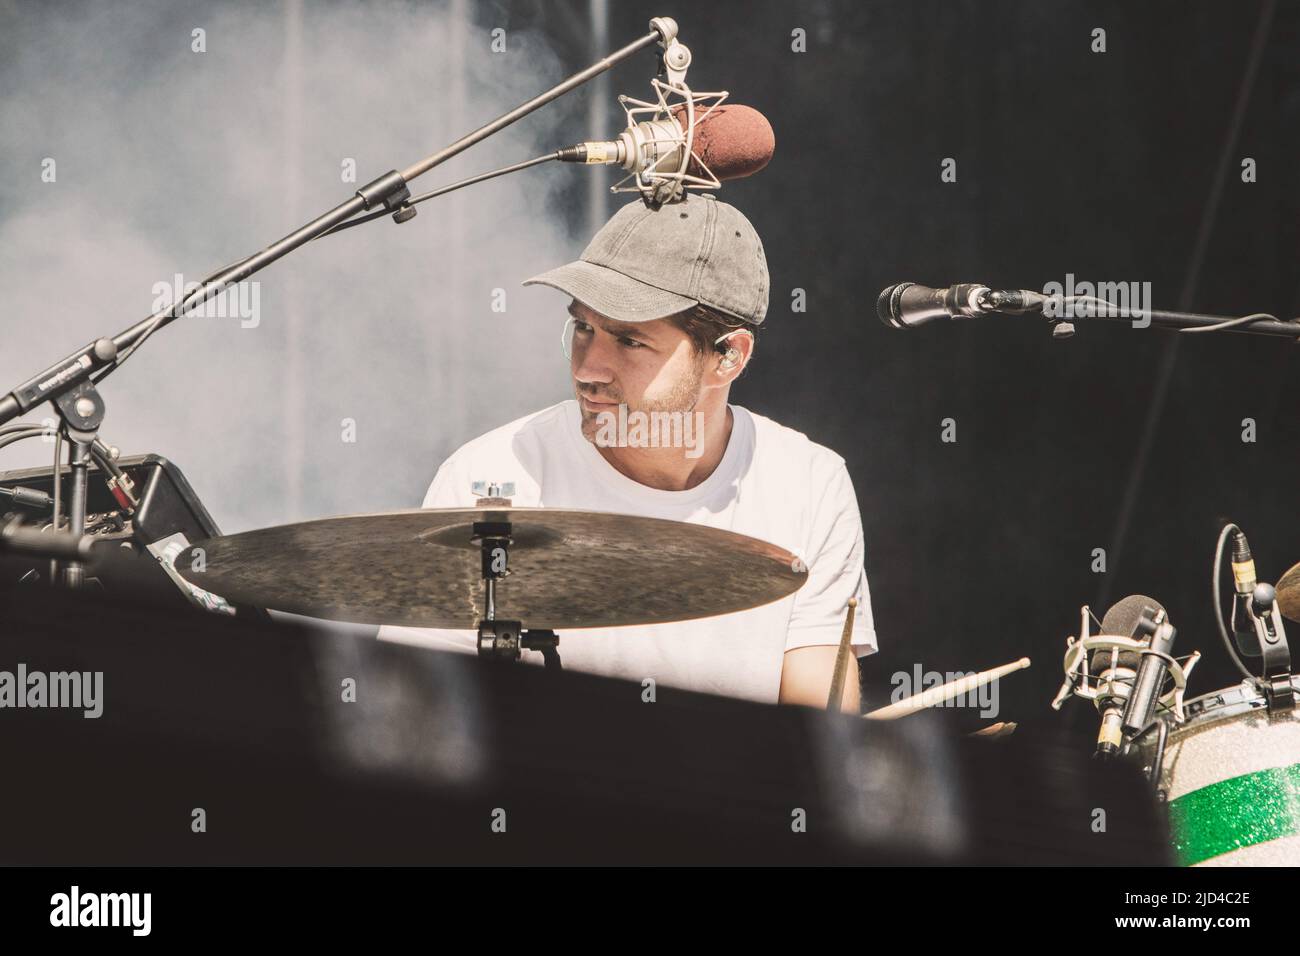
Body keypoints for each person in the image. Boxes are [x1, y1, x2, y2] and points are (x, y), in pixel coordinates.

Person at [377, 191, 877, 710]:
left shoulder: (810, 483)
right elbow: (416, 714)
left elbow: (818, 731)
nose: (586, 369)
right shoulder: (491, 474)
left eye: (630, 341)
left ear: (728, 356)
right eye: (583, 328)